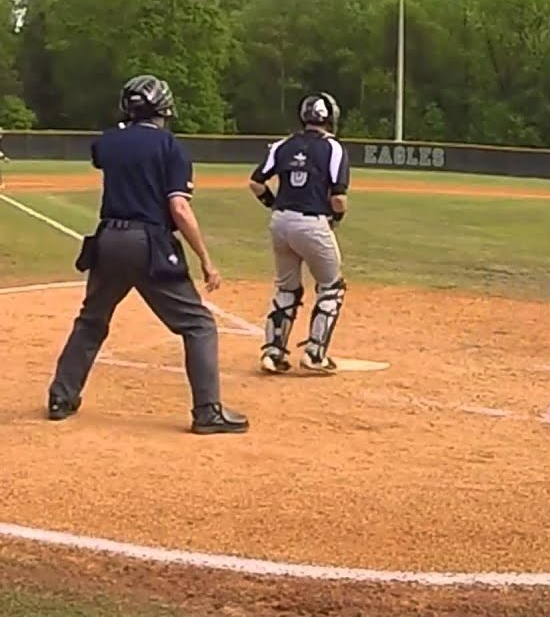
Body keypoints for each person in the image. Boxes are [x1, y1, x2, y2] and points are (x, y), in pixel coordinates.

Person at [46, 74, 248, 434]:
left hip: (108, 240)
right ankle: (207, 411)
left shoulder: (109, 142)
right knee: (198, 324)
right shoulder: (170, 147)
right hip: (148, 243)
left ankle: (62, 396)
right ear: (164, 107)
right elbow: (179, 209)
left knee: (91, 320)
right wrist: (205, 258)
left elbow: (104, 153)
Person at [249, 92, 351, 374]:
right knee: (332, 286)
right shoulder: (333, 148)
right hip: (312, 223)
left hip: (280, 222)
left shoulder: (282, 145)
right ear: (330, 117)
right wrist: (336, 219)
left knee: (286, 287)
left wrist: (274, 204)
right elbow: (338, 199)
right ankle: (315, 354)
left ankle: (272, 352)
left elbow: (256, 183)